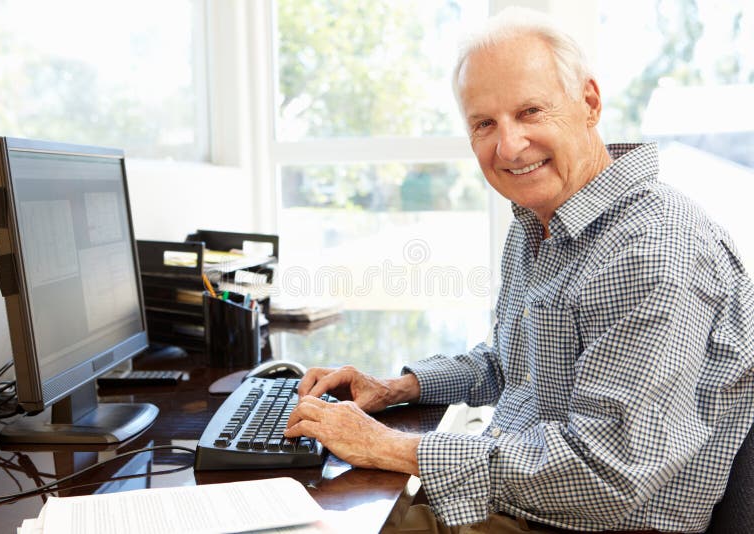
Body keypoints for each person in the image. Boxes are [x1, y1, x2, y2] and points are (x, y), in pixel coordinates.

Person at [284, 7, 754, 533]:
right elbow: (515, 363)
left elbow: (605, 473)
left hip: (593, 521)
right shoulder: (542, 222)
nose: (508, 147)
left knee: (317, 524)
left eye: (530, 112)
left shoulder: (651, 250)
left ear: (589, 103)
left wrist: (391, 446)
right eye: (485, 123)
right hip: (527, 499)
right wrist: (397, 388)